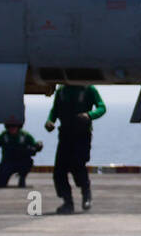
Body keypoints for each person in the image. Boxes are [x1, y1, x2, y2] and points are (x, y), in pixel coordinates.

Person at [43, 84, 106, 213]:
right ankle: (67, 202)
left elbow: (102, 107)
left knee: (78, 166)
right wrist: (50, 121)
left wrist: (89, 115)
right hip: (65, 135)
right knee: (59, 171)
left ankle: (86, 194)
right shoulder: (61, 91)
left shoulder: (89, 89)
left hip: (82, 135)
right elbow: (55, 110)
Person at [0, 119, 44, 188]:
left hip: (22, 162)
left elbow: (35, 146)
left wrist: (38, 145)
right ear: (7, 127)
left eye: (15, 126)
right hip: (7, 163)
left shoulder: (25, 135)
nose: (12, 128)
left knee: (29, 161)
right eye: (10, 126)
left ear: (19, 127)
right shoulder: (2, 137)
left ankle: (22, 177)